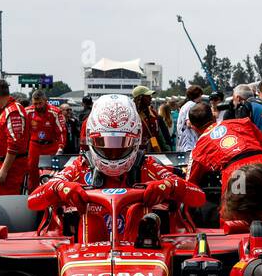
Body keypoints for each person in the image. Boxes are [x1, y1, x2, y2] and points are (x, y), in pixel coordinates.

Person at [26, 93, 204, 228]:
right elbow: (33, 200)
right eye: (104, 144)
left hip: (142, 254)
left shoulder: (147, 166)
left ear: (135, 140)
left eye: (121, 144)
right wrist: (60, 188)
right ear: (91, 140)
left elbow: (198, 196)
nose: (113, 153)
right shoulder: (81, 166)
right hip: (87, 257)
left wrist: (168, 187)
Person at [184, 100, 262, 196]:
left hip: (236, 173)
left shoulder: (199, 147)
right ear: (213, 117)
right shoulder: (243, 122)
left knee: (235, 209)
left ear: (194, 128)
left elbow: (189, 183)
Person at [0, 78, 29, 194]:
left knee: (10, 202)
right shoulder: (4, 110)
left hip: (12, 168)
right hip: (4, 164)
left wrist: (4, 170)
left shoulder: (13, 111)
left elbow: (14, 143)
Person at [24, 89, 67, 179]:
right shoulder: (27, 112)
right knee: (32, 173)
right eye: (35, 104)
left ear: (45, 101)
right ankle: (33, 193)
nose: (38, 106)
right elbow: (23, 131)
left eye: (40, 103)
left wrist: (60, 148)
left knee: (51, 174)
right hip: (34, 146)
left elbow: (62, 132)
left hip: (51, 146)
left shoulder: (55, 112)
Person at [133, 84, 169, 152]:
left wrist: (166, 149)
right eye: (147, 96)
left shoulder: (154, 114)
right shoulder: (132, 115)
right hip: (137, 152)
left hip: (153, 151)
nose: (151, 98)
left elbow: (159, 135)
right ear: (140, 98)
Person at [173, 85, 203, 153]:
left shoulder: (185, 105)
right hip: (189, 142)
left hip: (182, 142)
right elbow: (189, 123)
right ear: (198, 95)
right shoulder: (192, 105)